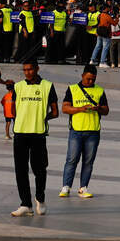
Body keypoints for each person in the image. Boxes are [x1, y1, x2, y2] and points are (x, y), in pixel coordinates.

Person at [10, 59, 59, 217]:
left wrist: (43, 119)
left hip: (38, 133)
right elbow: (13, 109)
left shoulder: (47, 86)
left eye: (30, 69)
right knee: (20, 170)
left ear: (37, 69)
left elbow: (55, 111)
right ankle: (25, 204)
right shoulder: (18, 87)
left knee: (39, 169)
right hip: (20, 133)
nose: (27, 72)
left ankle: (40, 198)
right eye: (25, 70)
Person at [58, 63, 108, 198]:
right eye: (88, 79)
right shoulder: (72, 89)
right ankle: (65, 187)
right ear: (82, 76)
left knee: (88, 161)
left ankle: (83, 188)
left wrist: (98, 108)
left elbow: (106, 110)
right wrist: (80, 108)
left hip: (93, 132)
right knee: (72, 159)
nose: (90, 81)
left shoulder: (99, 91)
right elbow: (65, 108)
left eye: (93, 79)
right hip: (76, 131)